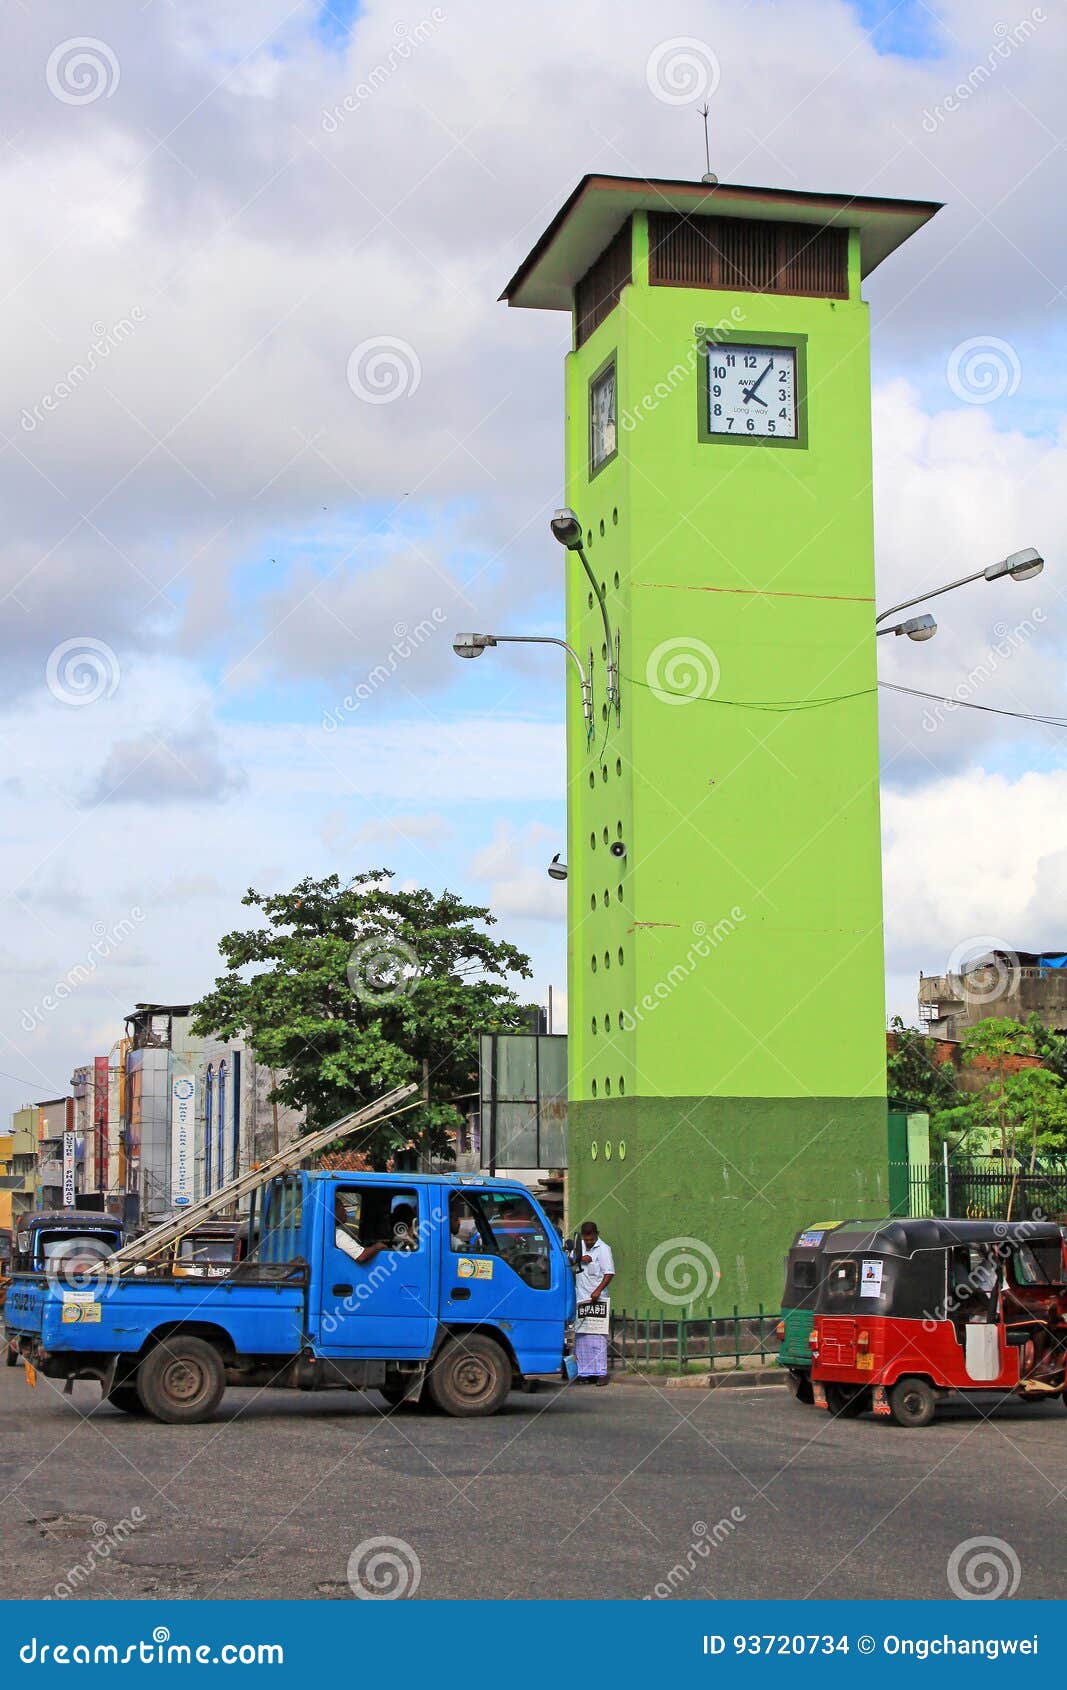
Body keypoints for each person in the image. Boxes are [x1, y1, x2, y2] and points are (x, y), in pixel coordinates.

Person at [574, 1219, 615, 1387]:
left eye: (591, 1239)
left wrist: (598, 1290)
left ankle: (601, 1373)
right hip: (581, 1298)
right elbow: (569, 1260)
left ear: (596, 1235)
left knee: (597, 1336)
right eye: (586, 1240)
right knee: (582, 1336)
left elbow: (609, 1273)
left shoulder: (604, 1249)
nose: (589, 1242)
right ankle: (585, 1372)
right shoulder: (579, 1247)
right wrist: (578, 1258)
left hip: (597, 1299)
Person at [333, 1192, 389, 1266]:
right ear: (334, 1212)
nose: (345, 1211)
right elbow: (361, 1256)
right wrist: (378, 1246)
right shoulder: (337, 1234)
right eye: (342, 1208)